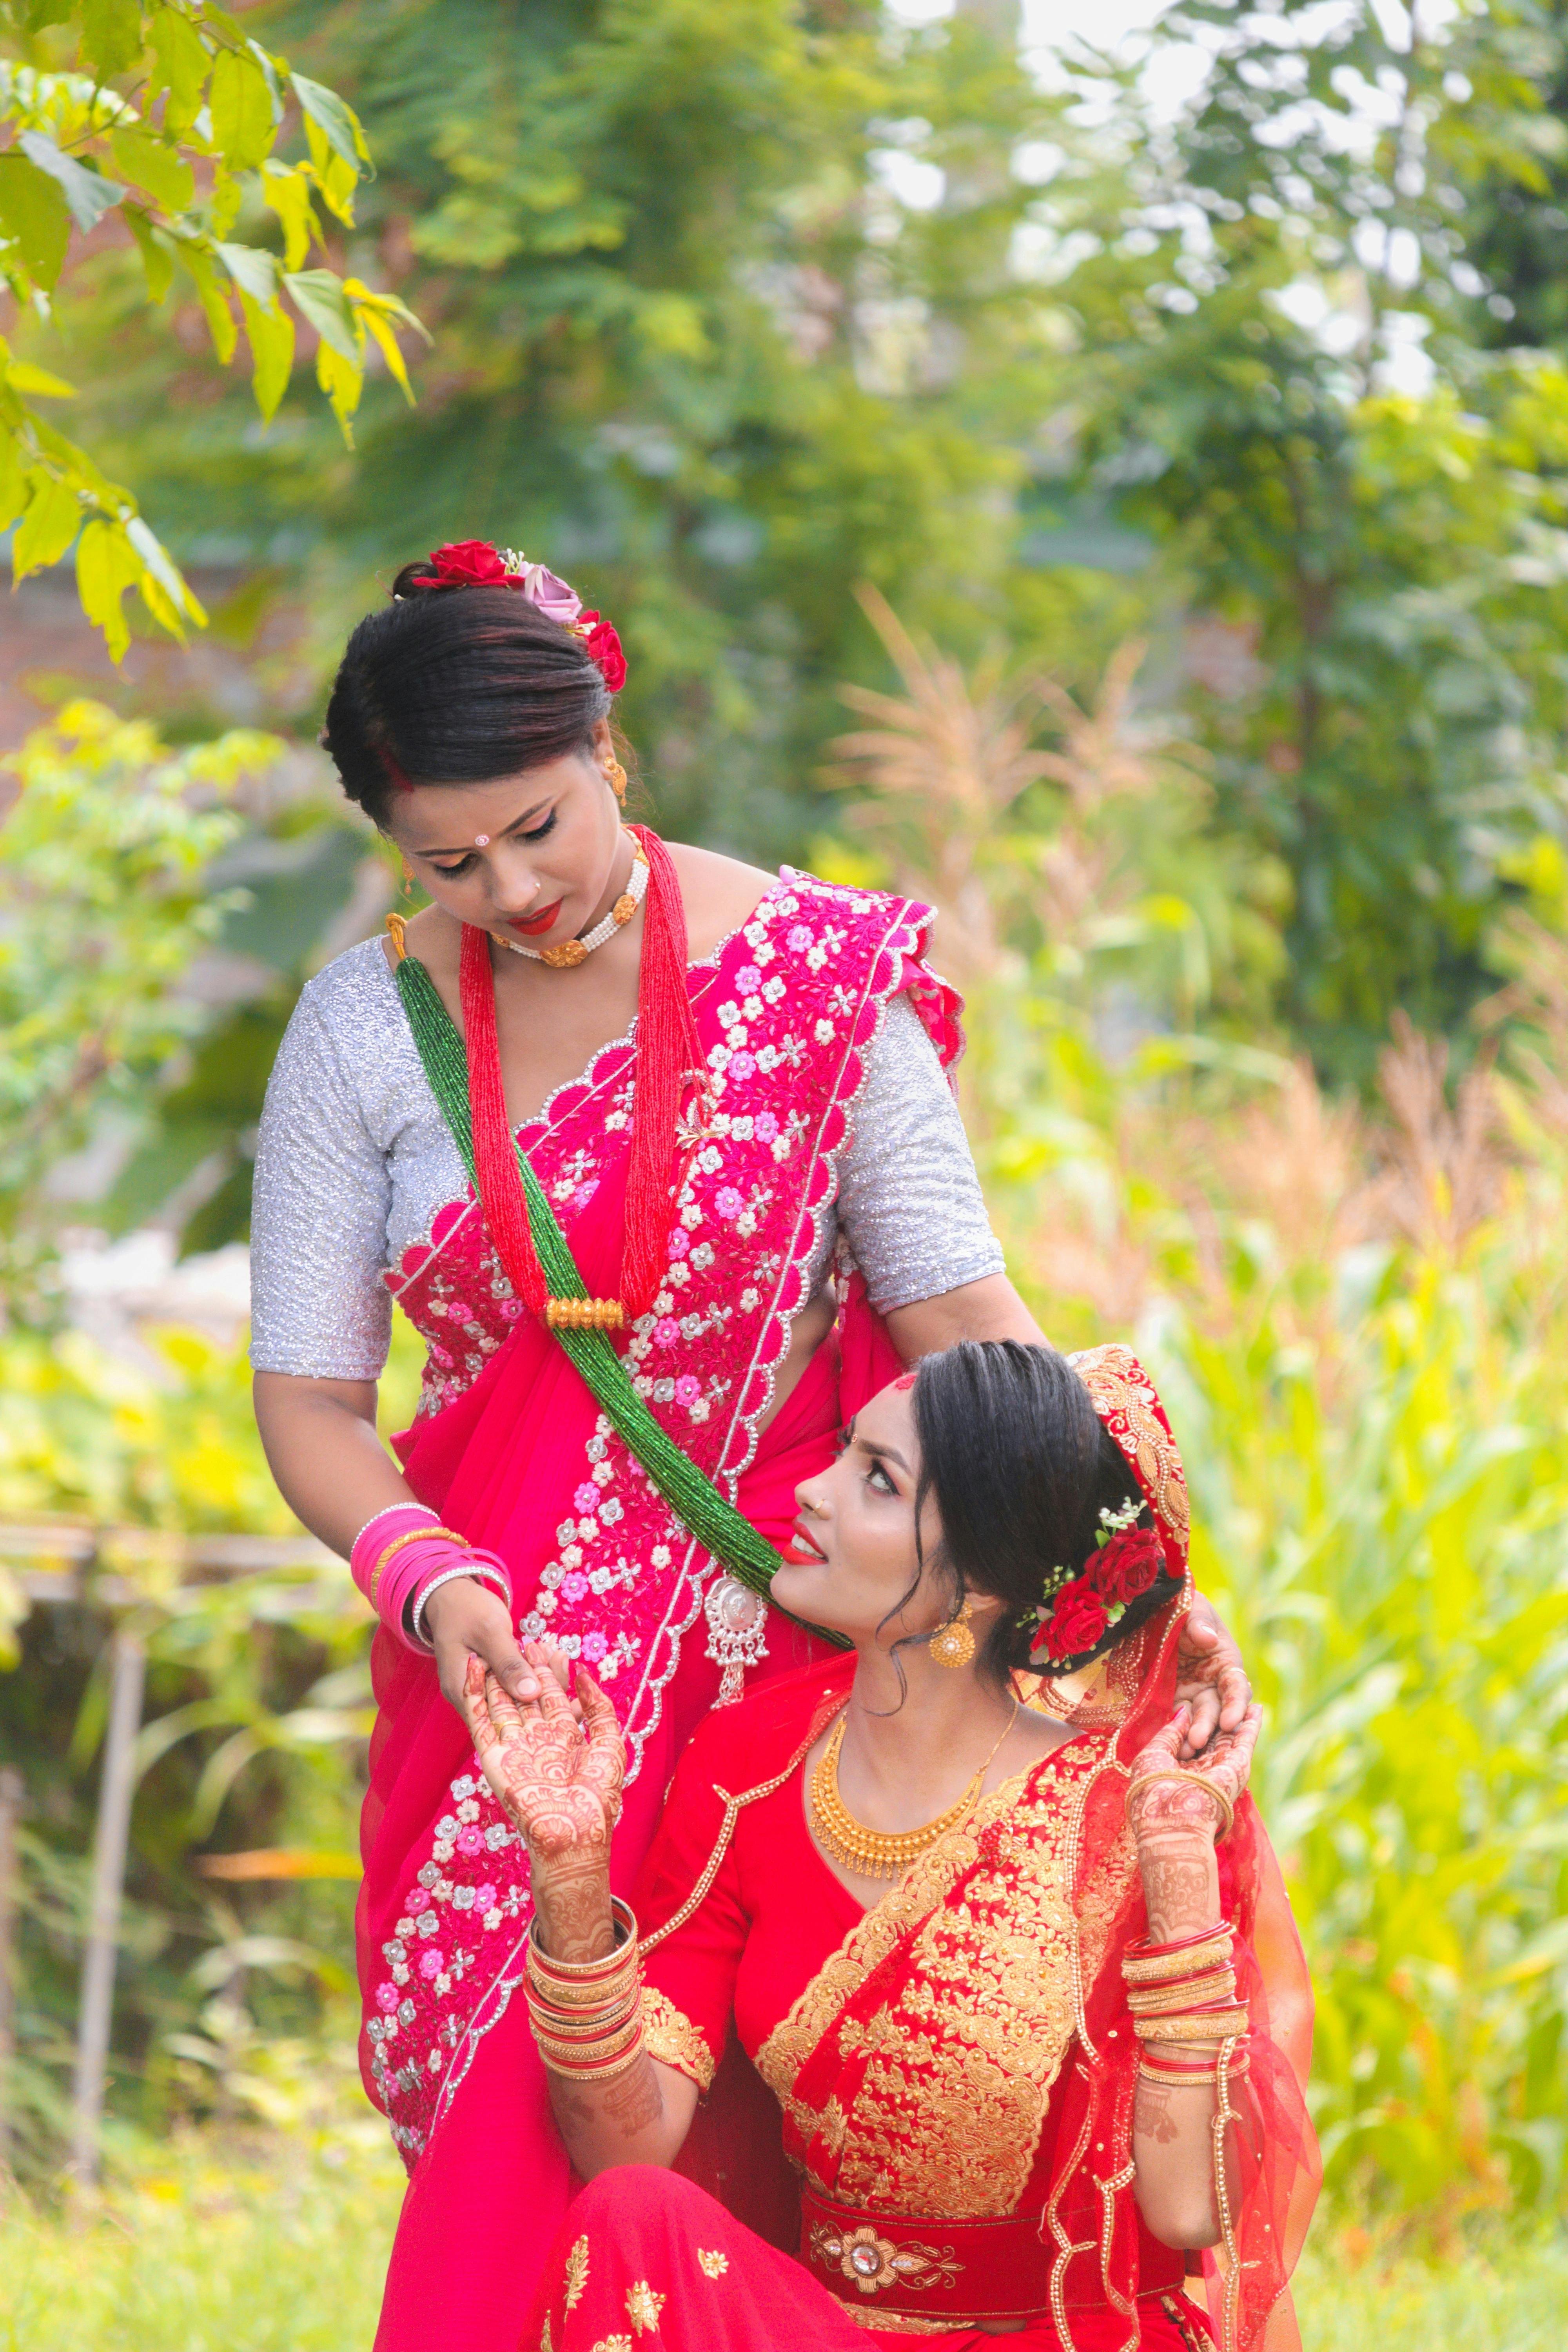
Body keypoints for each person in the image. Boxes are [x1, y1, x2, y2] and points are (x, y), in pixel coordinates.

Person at [247, 541, 1255, 2347]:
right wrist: (437, 1590)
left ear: (604, 746)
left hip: (800, 1673)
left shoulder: (813, 979)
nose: (512, 891)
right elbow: (310, 1401)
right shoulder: (359, 1032)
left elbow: (962, 1325)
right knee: (513, 2148)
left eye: (538, 827)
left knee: (781, 2145)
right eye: (447, 862)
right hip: (508, 1689)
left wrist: (1141, 1582)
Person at [473, 1342, 1317, 2352]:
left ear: (982, 1581)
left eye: (877, 1479)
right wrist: (571, 1873)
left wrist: (1177, 1858)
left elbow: (1187, 2214)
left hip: (1049, 2336)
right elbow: (626, 2148)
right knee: (630, 2219)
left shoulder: (1127, 1806)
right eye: (843, 1451)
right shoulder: (748, 1766)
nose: (814, 1492)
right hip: (822, 2331)